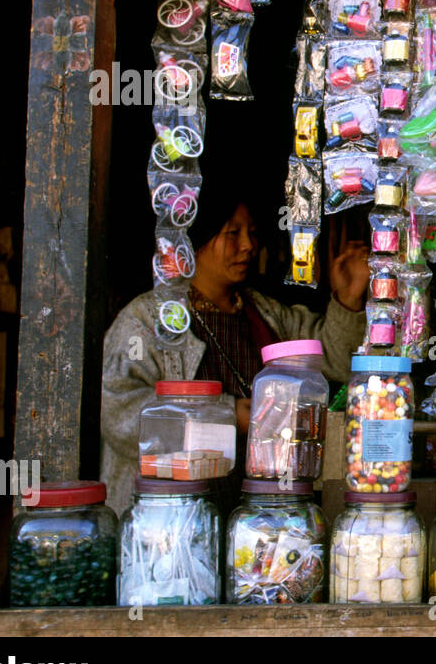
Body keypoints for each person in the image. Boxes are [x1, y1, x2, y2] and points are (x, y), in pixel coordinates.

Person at [100, 189, 368, 514]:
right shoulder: (147, 320)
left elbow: (335, 363)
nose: (247, 246)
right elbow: (119, 417)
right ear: (195, 240)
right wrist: (227, 416)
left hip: (258, 518)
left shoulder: (264, 312)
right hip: (169, 521)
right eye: (232, 234)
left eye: (252, 234)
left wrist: (348, 299)